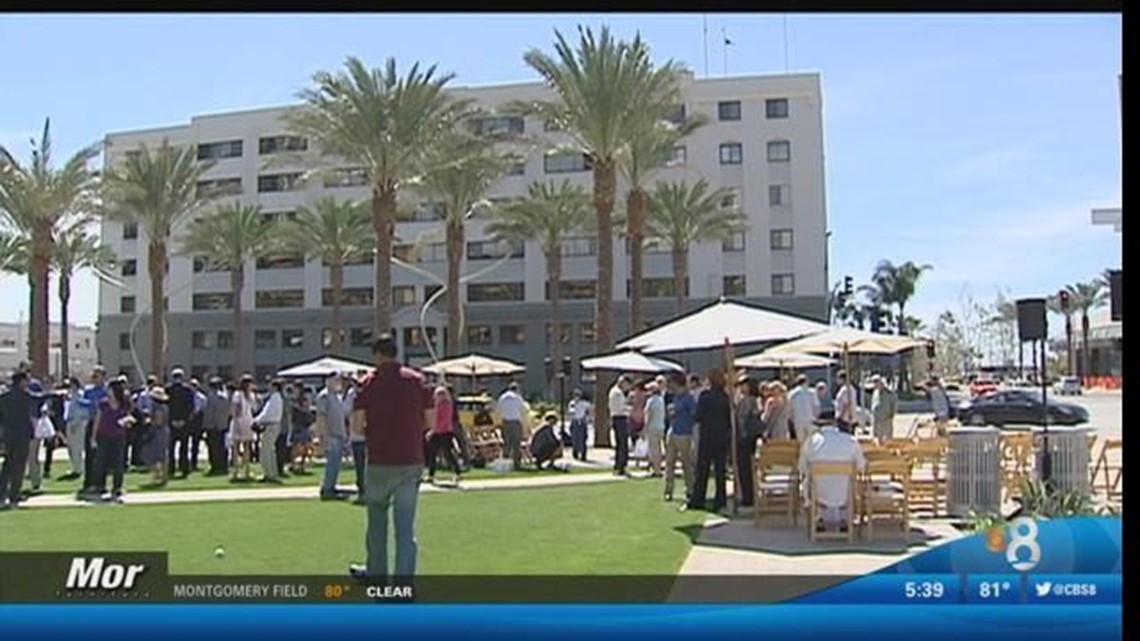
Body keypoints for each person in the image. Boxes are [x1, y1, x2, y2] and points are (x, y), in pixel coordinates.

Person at [349, 334, 435, 582]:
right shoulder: (417, 381)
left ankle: (377, 572)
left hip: (380, 458)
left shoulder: (368, 383)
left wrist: (375, 431)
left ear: (377, 355)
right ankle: (403, 581)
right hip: (410, 458)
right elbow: (430, 421)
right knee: (405, 524)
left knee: (377, 519)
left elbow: (357, 426)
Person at [798, 422, 867, 532]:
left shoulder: (811, 442)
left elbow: (802, 468)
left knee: (808, 481)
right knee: (852, 482)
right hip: (845, 494)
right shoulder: (850, 441)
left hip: (819, 494)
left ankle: (819, 517)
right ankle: (844, 518)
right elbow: (861, 467)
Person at [687, 370, 732, 512]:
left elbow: (698, 416)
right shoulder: (725, 397)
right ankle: (720, 499)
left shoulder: (705, 396)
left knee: (702, 469)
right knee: (720, 471)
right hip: (722, 437)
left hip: (707, 436)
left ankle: (698, 499)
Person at [0, 371, 46, 510]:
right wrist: (55, 394)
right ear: (21, 382)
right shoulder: (25, 396)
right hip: (22, 434)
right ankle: (14, 493)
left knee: (8, 464)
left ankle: (2, 492)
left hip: (8, 434)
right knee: (19, 465)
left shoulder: (3, 397)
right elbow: (39, 397)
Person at [88, 377, 134, 502]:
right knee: (100, 461)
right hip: (104, 436)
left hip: (119, 436)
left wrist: (127, 421)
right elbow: (97, 420)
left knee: (118, 462)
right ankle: (99, 485)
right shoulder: (103, 404)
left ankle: (117, 487)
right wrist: (93, 437)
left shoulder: (125, 403)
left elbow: (130, 416)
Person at [314, 373, 350, 500]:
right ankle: (327, 488)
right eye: (336, 380)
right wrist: (322, 436)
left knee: (336, 463)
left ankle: (332, 485)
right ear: (328, 381)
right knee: (331, 463)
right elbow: (321, 417)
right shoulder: (324, 396)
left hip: (339, 434)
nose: (338, 382)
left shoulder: (337, 397)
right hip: (331, 434)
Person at [664, 375, 697, 503]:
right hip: (673, 430)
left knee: (686, 463)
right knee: (669, 462)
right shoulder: (674, 397)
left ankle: (690, 489)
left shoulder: (688, 398)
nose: (669, 386)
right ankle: (668, 490)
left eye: (671, 383)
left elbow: (694, 414)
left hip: (684, 433)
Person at [76, 366, 108, 497]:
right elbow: (81, 402)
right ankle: (88, 483)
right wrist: (90, 403)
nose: (94, 378)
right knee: (89, 454)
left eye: (97, 376)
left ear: (103, 377)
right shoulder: (89, 390)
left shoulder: (107, 391)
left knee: (102, 455)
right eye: (93, 376)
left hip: (104, 424)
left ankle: (100, 484)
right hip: (91, 422)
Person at [734, 376, 763, 508]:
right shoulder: (756, 400)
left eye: (743, 385)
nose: (741, 387)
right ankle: (749, 495)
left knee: (744, 468)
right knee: (748, 468)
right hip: (752, 438)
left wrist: (741, 435)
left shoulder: (746, 400)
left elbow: (742, 419)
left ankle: (747, 497)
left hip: (744, 438)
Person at [424, 386, 462, 484]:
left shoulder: (445, 406)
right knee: (434, 454)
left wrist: (431, 431)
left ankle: (457, 473)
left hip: (444, 432)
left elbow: (440, 421)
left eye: (439, 395)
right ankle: (431, 475)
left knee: (447, 454)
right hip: (441, 432)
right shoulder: (444, 405)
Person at [166, 368, 197, 479]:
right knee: (184, 447)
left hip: (172, 422)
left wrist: (171, 420)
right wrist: (186, 419)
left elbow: (166, 406)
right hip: (184, 422)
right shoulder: (188, 390)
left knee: (171, 448)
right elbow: (191, 407)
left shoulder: (168, 389)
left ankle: (171, 469)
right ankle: (184, 468)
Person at [253, 379, 285, 484]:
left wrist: (257, 421)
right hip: (274, 425)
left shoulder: (275, 398)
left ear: (275, 387)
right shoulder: (276, 398)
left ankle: (268, 474)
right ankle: (272, 473)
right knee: (270, 451)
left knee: (265, 451)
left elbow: (268, 413)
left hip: (271, 425)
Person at [201, 377, 232, 477]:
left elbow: (209, 413)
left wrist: (205, 426)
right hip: (223, 425)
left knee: (213, 448)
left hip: (212, 426)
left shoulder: (210, 397)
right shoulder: (225, 397)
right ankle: (223, 466)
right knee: (222, 447)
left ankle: (215, 466)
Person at [229, 375, 257, 482]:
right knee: (246, 446)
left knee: (238, 447)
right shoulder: (248, 395)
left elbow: (234, 410)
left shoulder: (239, 395)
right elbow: (253, 408)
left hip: (240, 420)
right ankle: (245, 470)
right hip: (246, 420)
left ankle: (237, 471)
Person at [62, 377, 89, 480]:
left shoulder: (80, 395)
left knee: (77, 447)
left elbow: (82, 411)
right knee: (70, 447)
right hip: (69, 421)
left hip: (78, 423)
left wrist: (75, 423)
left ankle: (78, 469)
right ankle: (74, 467)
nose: (69, 387)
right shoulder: (70, 396)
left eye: (70, 385)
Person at [143, 385, 171, 487]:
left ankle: (160, 476)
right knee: (162, 456)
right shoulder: (164, 407)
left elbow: (158, 421)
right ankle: (162, 476)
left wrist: (149, 421)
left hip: (158, 432)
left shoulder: (158, 407)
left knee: (157, 455)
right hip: (163, 431)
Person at [496, 382, 527, 471]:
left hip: (505, 422)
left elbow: (498, 410)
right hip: (515, 422)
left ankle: (505, 464)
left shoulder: (502, 397)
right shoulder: (518, 398)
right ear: (517, 389)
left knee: (507, 444)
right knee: (516, 444)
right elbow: (523, 410)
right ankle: (517, 464)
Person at [607, 375, 632, 476]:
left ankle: (620, 466)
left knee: (622, 444)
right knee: (622, 444)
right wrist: (629, 408)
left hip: (619, 418)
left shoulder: (618, 392)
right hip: (619, 418)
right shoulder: (616, 393)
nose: (628, 388)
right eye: (627, 385)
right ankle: (620, 466)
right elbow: (619, 408)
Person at [289, 387, 315, 475]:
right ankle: (293, 464)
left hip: (304, 425)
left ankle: (302, 464)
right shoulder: (293, 400)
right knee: (294, 446)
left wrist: (299, 407)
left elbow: (306, 410)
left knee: (305, 446)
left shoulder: (304, 400)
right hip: (296, 425)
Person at [643, 381, 667, 477]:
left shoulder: (651, 401)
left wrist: (644, 429)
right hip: (661, 426)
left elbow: (649, 415)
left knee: (654, 449)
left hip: (652, 427)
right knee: (659, 449)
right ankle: (658, 468)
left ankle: (656, 470)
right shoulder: (661, 400)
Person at [789, 375, 821, 443]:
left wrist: (792, 420)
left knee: (801, 442)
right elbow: (817, 407)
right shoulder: (812, 392)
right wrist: (816, 418)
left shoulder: (792, 393)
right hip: (810, 420)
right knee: (812, 442)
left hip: (798, 421)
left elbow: (790, 409)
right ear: (807, 381)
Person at [188, 378, 208, 472]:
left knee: (195, 443)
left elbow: (204, 410)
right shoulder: (186, 396)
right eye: (192, 385)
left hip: (197, 421)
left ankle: (194, 463)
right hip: (188, 420)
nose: (193, 388)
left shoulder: (202, 397)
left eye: (195, 386)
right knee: (185, 443)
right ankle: (185, 463)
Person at [566, 388, 592, 461]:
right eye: (575, 395)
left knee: (582, 439)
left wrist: (588, 418)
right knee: (574, 438)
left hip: (582, 422)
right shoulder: (571, 403)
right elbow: (570, 412)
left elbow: (589, 410)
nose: (576, 396)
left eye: (578, 395)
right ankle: (575, 452)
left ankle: (583, 454)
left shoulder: (584, 403)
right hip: (574, 422)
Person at [870, 375, 898, 440]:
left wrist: (892, 414)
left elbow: (894, 404)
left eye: (876, 382)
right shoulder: (875, 392)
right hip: (876, 418)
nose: (875, 384)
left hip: (886, 418)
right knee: (876, 437)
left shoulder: (889, 393)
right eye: (874, 382)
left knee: (887, 438)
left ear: (880, 382)